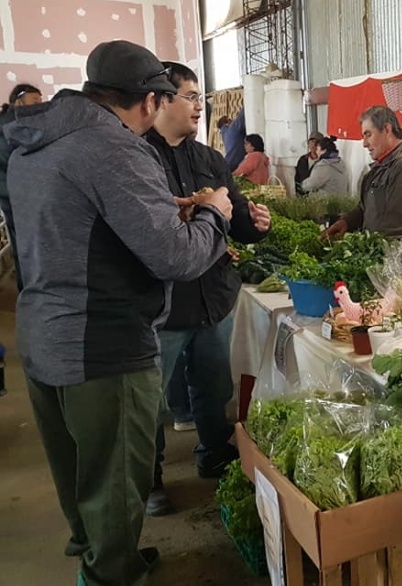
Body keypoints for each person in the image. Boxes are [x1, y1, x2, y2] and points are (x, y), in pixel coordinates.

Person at [4, 40, 233, 586]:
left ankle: (102, 553)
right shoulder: (113, 147)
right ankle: (110, 574)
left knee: (78, 468)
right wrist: (215, 216)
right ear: (151, 101)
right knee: (115, 478)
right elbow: (176, 257)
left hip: (41, 332)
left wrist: (170, 208)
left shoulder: (35, 141)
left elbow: (77, 222)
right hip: (101, 347)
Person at [145, 62, 271, 516]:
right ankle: (150, 478)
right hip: (165, 304)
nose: (200, 106)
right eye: (190, 96)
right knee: (151, 402)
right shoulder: (138, 158)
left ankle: (214, 453)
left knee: (213, 383)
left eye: (201, 97)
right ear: (160, 99)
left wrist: (255, 225)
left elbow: (234, 217)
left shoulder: (209, 159)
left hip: (213, 296)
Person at [322, 106, 402, 239]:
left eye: (368, 134)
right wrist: (347, 222)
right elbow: (366, 209)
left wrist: (372, 251)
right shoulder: (378, 169)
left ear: (387, 129)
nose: (365, 144)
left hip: (396, 256)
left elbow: (400, 228)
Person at [0, 83, 43, 291]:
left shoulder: (17, 122)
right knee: (23, 243)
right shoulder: (9, 127)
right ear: (18, 101)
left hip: (17, 191)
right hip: (12, 194)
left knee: (26, 243)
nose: (39, 107)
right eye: (35, 102)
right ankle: (27, 287)